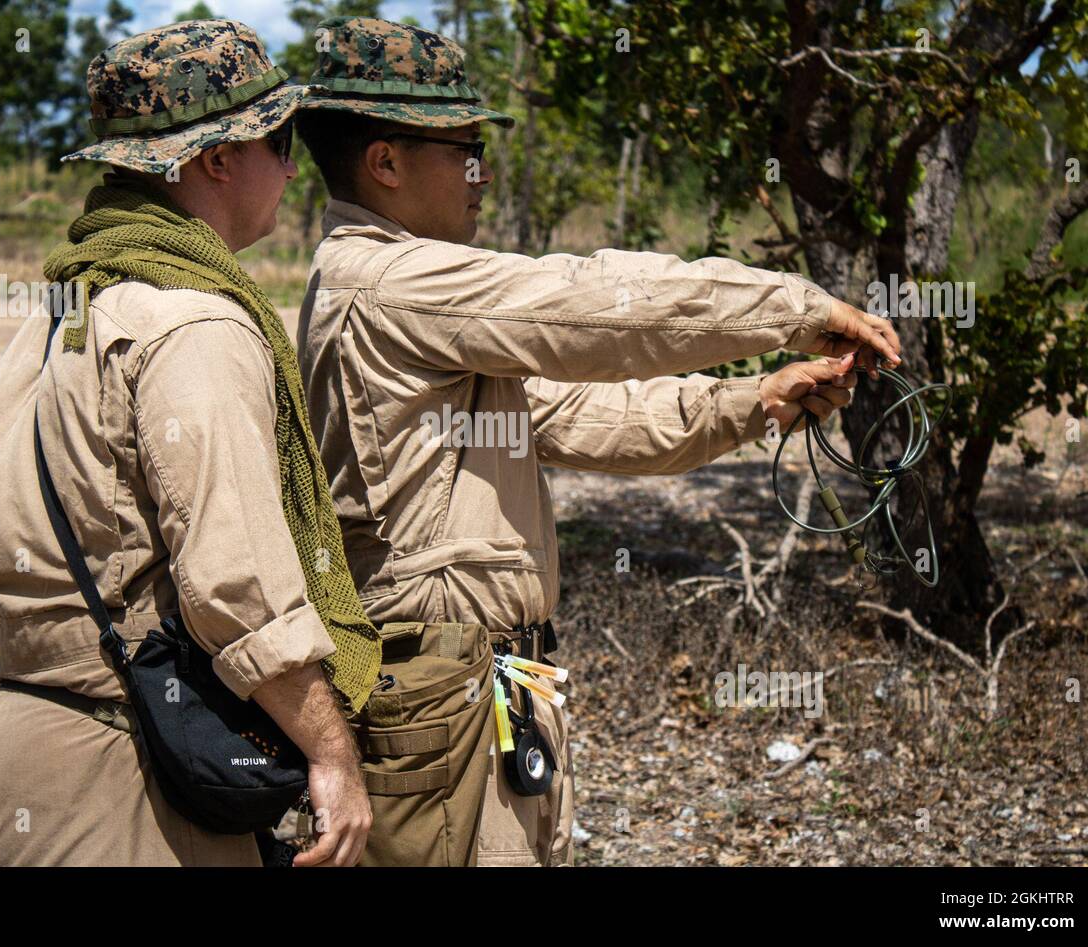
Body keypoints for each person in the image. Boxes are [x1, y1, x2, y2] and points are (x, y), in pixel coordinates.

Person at [292, 16, 903, 866]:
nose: (484, 171)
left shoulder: (401, 288)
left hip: (487, 684)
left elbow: (575, 416)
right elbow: (596, 305)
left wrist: (754, 400)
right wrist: (801, 311)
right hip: (442, 687)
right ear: (385, 162)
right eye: (463, 147)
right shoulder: (391, 279)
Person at [0, 19, 378, 867]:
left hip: (13, 737)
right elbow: (239, 586)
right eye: (279, 140)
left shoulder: (57, 313)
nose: (293, 167)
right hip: (120, 767)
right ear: (216, 160)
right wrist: (333, 755)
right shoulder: (194, 325)